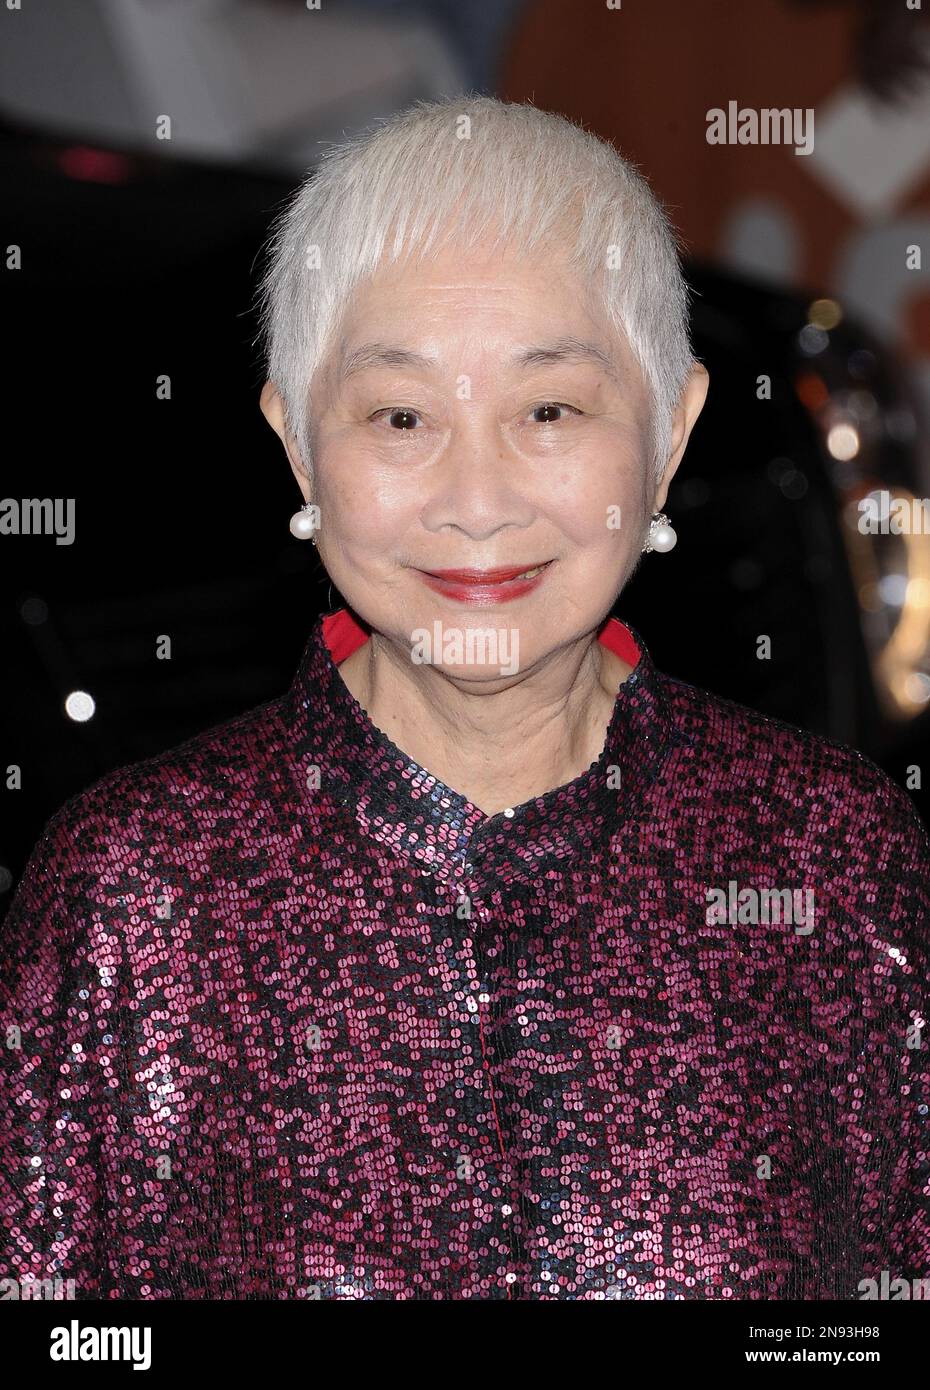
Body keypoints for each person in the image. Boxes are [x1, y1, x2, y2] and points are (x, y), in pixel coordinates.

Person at [1, 95, 927, 1301]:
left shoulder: (832, 855)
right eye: (400, 416)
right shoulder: (136, 894)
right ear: (297, 447)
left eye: (549, 410)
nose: (476, 499)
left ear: (671, 427)